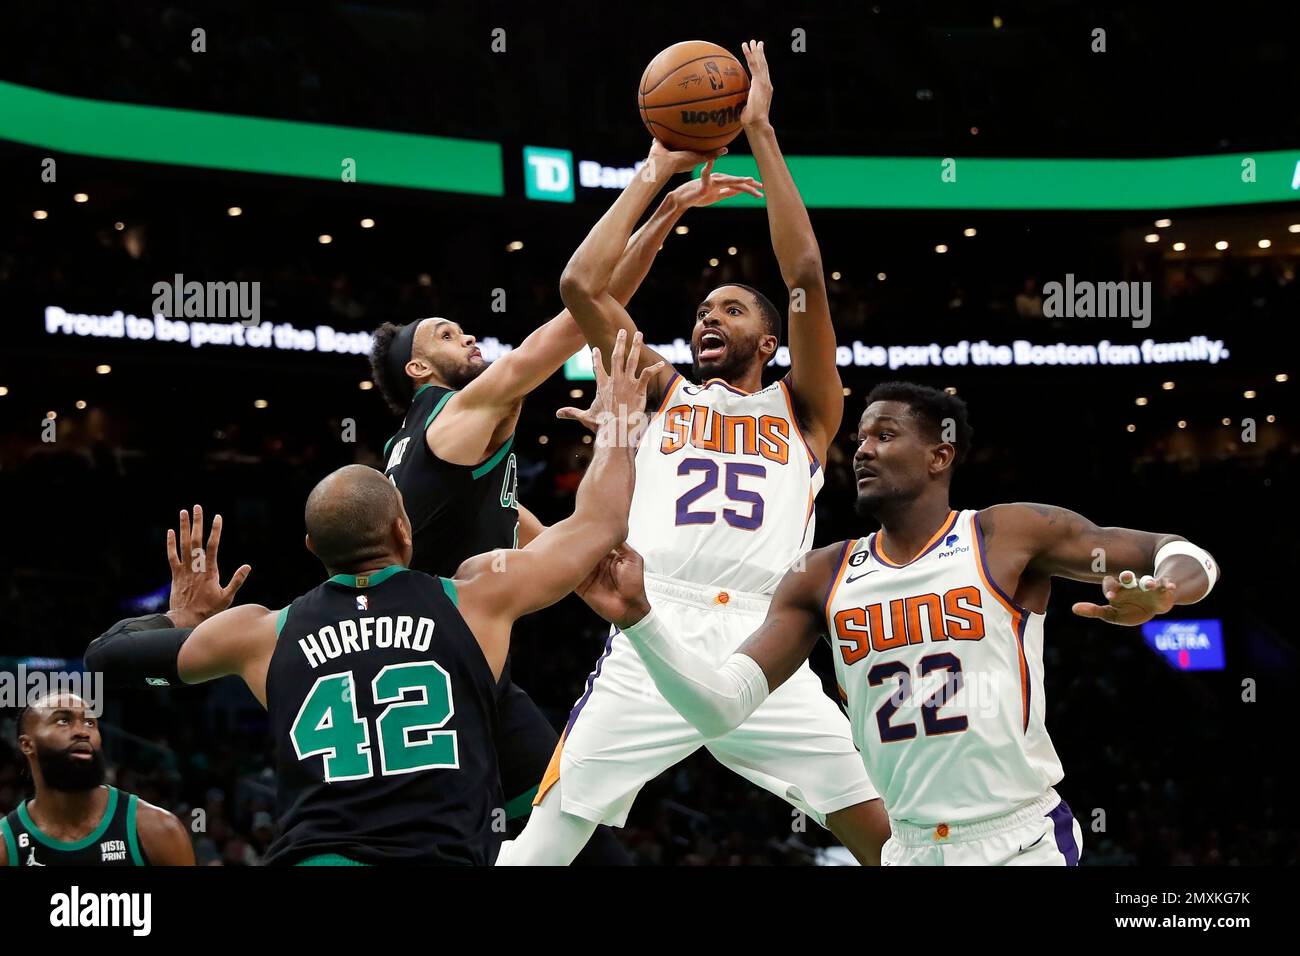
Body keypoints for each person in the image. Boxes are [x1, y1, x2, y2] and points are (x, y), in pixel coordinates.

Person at [500, 40, 888, 865]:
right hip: (652, 626)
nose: (711, 316)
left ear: (772, 337)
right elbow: (581, 288)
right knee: (538, 852)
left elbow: (808, 273)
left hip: (765, 639)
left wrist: (761, 133)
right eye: (704, 308)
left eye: (735, 308)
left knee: (887, 841)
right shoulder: (663, 388)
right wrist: (657, 182)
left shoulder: (807, 409)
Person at [575, 382, 1220, 866]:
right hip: (906, 849)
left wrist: (1164, 594)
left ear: (941, 454)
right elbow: (722, 708)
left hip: (1020, 840)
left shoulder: (1004, 535)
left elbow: (1181, 551)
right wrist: (640, 620)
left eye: (885, 435)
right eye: (859, 437)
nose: (862, 448)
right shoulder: (818, 575)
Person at [85, 332, 658, 864]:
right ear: (404, 531)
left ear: (312, 547)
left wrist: (179, 619)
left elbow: (104, 660)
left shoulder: (261, 633)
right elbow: (600, 522)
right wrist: (618, 431)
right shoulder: (475, 598)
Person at [368, 169, 757, 863]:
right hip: (438, 687)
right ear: (419, 372)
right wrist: (660, 199)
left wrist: (592, 576)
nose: (467, 336)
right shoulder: (461, 414)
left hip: (471, 679)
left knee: (579, 838)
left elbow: (522, 525)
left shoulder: (427, 452)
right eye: (445, 334)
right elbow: (584, 311)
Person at [2, 693, 194, 866]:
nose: (82, 731)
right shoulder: (5, 845)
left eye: (90, 723)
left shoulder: (157, 829)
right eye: (63, 721)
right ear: (27, 745)